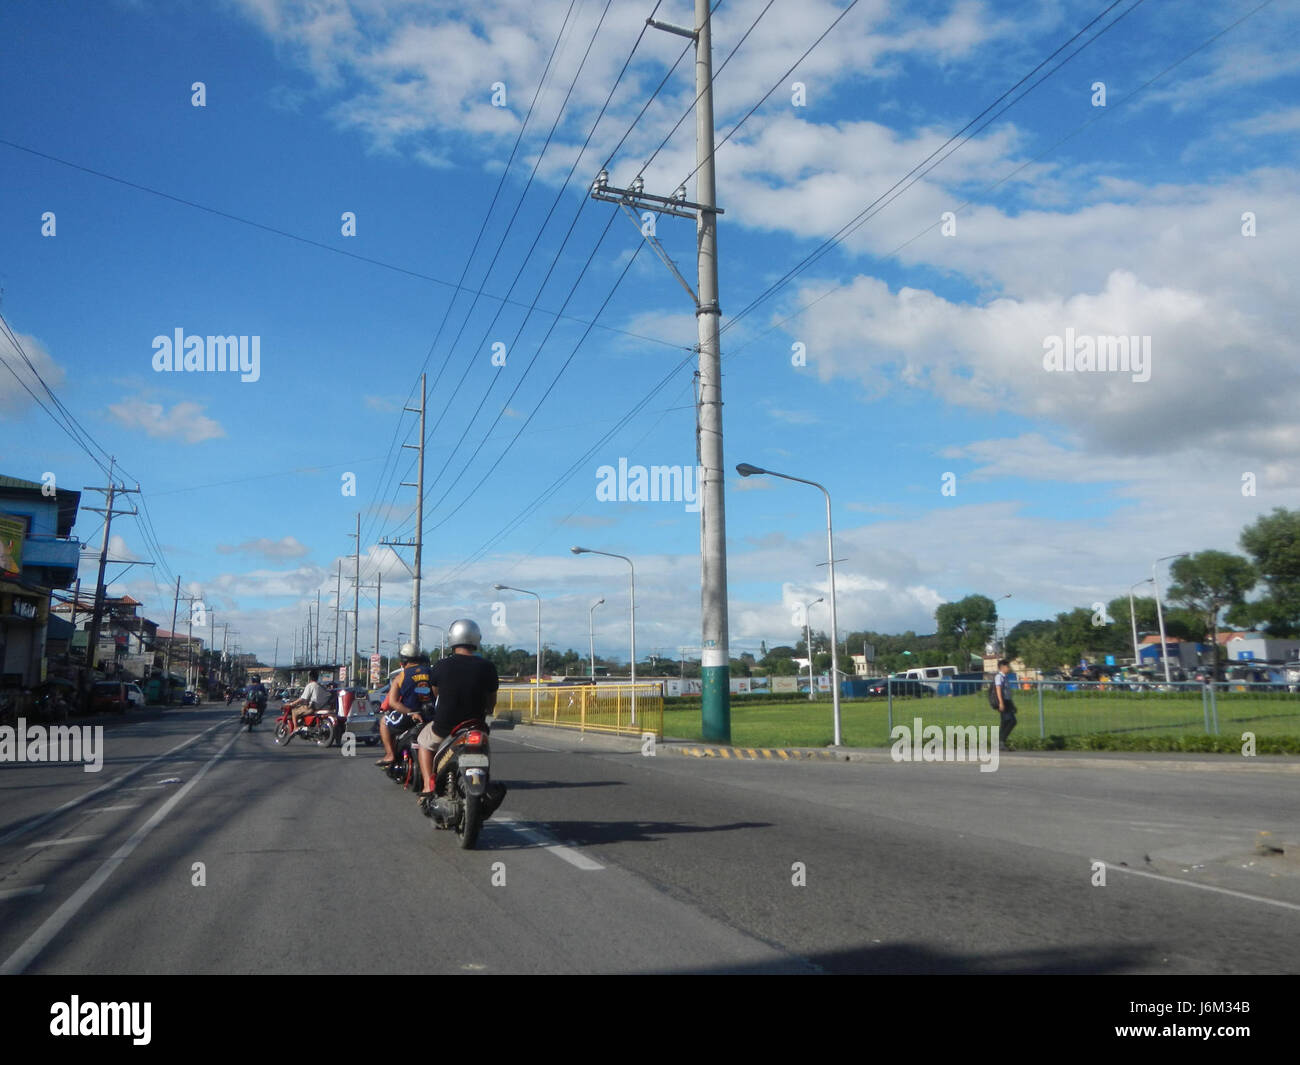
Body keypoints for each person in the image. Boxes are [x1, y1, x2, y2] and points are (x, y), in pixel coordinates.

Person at [414, 619, 498, 808]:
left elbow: (435, 693)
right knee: (485, 748)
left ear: (452, 639)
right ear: (476, 639)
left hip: (445, 726)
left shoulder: (441, 666)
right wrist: (488, 710)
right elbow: (491, 699)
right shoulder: (488, 666)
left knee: (424, 744)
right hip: (475, 725)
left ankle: (428, 785)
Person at [375, 645, 432, 767]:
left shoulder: (401, 676)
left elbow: (393, 702)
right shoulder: (430, 672)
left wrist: (410, 712)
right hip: (429, 715)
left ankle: (390, 754)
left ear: (403, 661)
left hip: (410, 716)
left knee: (384, 722)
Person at [989, 658, 1017, 750]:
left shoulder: (1005, 677)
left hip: (1007, 701)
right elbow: (998, 690)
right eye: (1007, 666)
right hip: (1003, 701)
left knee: (1006, 722)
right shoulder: (999, 677)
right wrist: (1001, 703)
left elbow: (1007, 692)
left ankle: (1000, 743)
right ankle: (1001, 742)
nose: (1009, 668)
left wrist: (1012, 704)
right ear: (1002, 667)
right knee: (1011, 721)